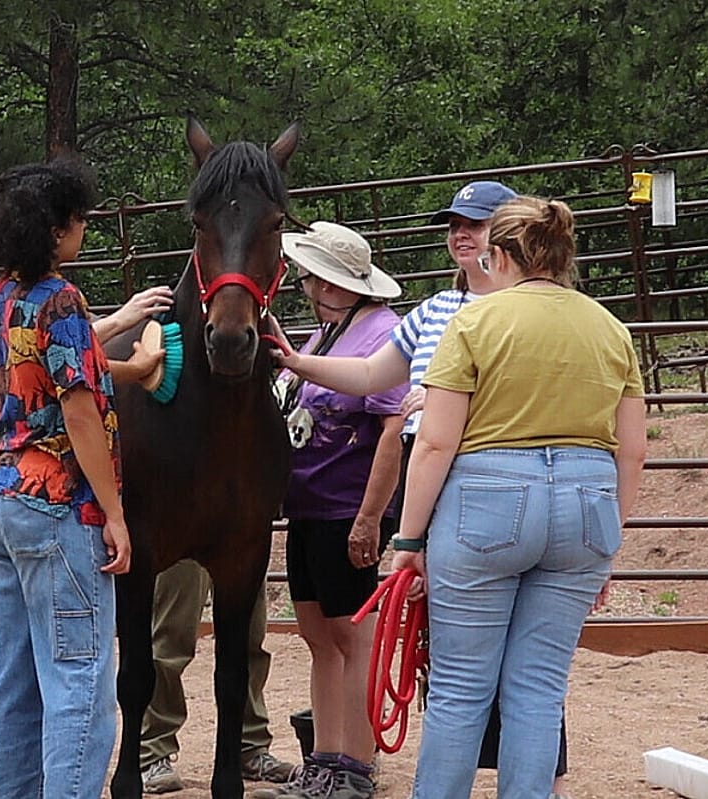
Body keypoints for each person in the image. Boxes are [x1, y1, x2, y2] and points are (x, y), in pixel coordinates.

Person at [270, 181, 579, 795]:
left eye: (478, 224)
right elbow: (371, 373)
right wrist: (297, 360)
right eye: (455, 224)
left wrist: (437, 407)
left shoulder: (514, 316)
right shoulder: (438, 310)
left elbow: (508, 406)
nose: (463, 234)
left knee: (479, 660)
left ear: (513, 237)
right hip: (455, 478)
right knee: (478, 652)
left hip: (474, 479)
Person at [391, 196, 647, 799]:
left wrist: (408, 540)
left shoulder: (474, 323)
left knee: (460, 687)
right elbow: (632, 450)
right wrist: (606, 544)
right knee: (538, 687)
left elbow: (433, 443)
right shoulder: (610, 327)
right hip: (587, 502)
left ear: (499, 255)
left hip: (487, 500)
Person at [0, 158, 131, 799]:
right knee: (80, 680)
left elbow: (38, 371)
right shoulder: (59, 298)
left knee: (12, 676)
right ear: (57, 229)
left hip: (3, 499)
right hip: (59, 503)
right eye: (80, 219)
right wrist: (113, 512)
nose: (83, 230)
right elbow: (79, 410)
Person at [255, 221, 407, 799]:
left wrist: (371, 516)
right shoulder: (327, 333)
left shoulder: (379, 336)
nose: (307, 283)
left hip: (347, 504)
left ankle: (357, 765)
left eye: (317, 276)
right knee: (320, 633)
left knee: (352, 634)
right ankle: (325, 758)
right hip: (311, 506)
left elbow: (393, 427)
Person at [139, 560, 297, 793]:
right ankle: (153, 750)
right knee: (171, 641)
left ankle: (249, 745)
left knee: (249, 641)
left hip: (243, 529)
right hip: (185, 528)